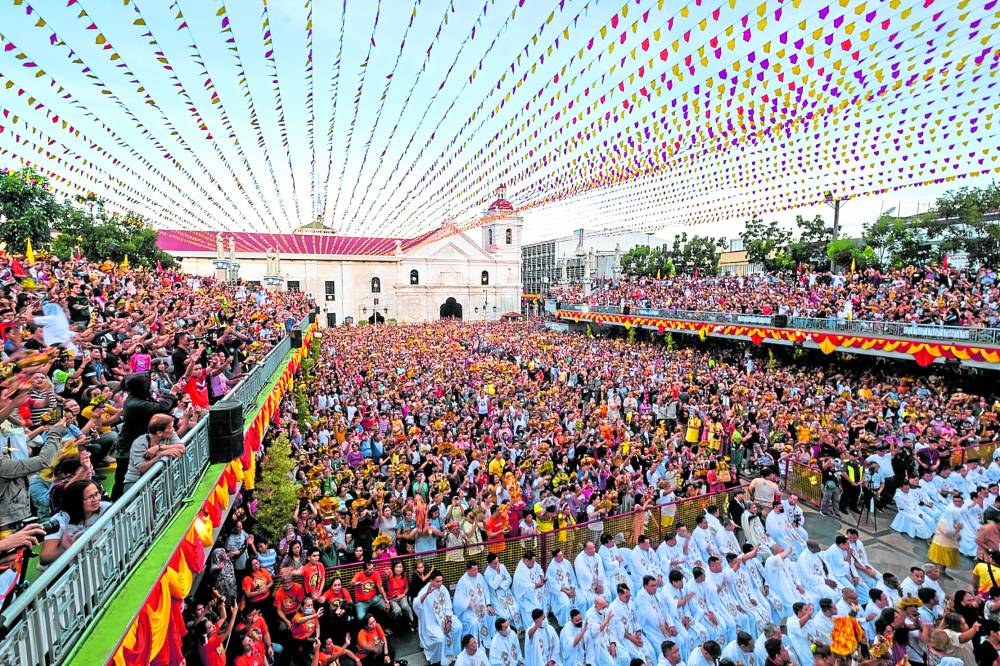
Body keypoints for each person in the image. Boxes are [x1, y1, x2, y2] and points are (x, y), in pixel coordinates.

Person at [39, 479, 111, 565]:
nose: (96, 499)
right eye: (90, 497)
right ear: (76, 501)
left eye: (97, 494)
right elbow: (45, 557)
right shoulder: (59, 520)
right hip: (74, 569)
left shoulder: (106, 508)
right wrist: (67, 548)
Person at [121, 413, 186, 493]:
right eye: (170, 427)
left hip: (157, 479)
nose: (173, 429)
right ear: (159, 433)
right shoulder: (139, 443)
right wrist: (161, 455)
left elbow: (182, 448)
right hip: (136, 482)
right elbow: (142, 468)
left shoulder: (171, 434)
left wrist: (160, 447)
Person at [415, 571, 462, 666]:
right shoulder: (425, 591)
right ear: (431, 581)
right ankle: (441, 658)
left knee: (458, 627)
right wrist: (426, 594)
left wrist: (449, 621)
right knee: (440, 638)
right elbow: (416, 605)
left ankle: (455, 653)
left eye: (441, 581)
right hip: (431, 621)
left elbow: (448, 605)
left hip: (444, 617)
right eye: (437, 581)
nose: (440, 583)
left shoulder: (443, 588)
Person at [455, 560, 495, 647]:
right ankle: (474, 643)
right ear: (468, 570)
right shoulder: (462, 581)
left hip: (482, 607)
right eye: (474, 570)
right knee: (474, 622)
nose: (476, 571)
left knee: (491, 615)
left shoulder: (480, 576)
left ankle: (491, 639)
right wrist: (468, 604)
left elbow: (486, 590)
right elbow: (458, 600)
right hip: (468, 611)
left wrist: (488, 605)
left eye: (477, 569)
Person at [929, 493, 964, 578]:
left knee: (945, 561)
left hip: (949, 545)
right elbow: (947, 533)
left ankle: (942, 571)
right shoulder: (943, 521)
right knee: (939, 561)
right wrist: (957, 530)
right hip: (941, 544)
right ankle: (935, 573)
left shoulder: (953, 521)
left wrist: (958, 534)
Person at [513, 550, 547, 629]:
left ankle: (543, 622)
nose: (534, 563)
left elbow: (538, 568)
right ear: (526, 560)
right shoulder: (520, 572)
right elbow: (523, 587)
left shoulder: (532, 563)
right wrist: (535, 585)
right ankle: (533, 628)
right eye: (532, 562)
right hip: (527, 597)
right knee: (533, 610)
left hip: (537, 591)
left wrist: (542, 575)